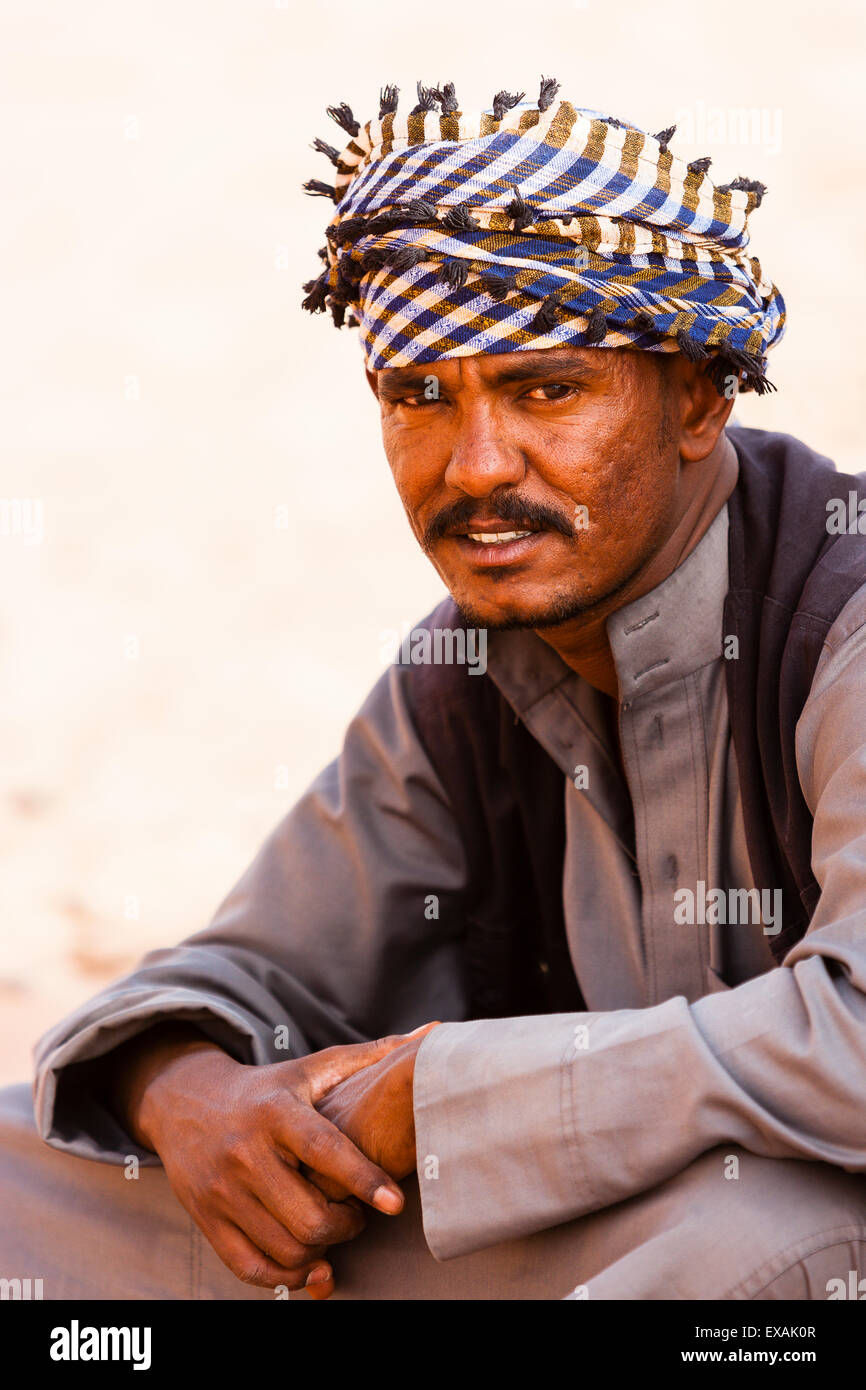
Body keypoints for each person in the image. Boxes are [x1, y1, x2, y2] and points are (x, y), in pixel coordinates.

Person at [4, 77, 866, 1302]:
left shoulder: (840, 620)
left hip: (784, 1266)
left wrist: (450, 1096)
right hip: (617, 1241)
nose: (475, 466)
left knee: (760, 1244)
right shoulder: (471, 668)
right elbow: (260, 964)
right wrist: (183, 1091)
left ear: (698, 398)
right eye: (420, 397)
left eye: (545, 390)